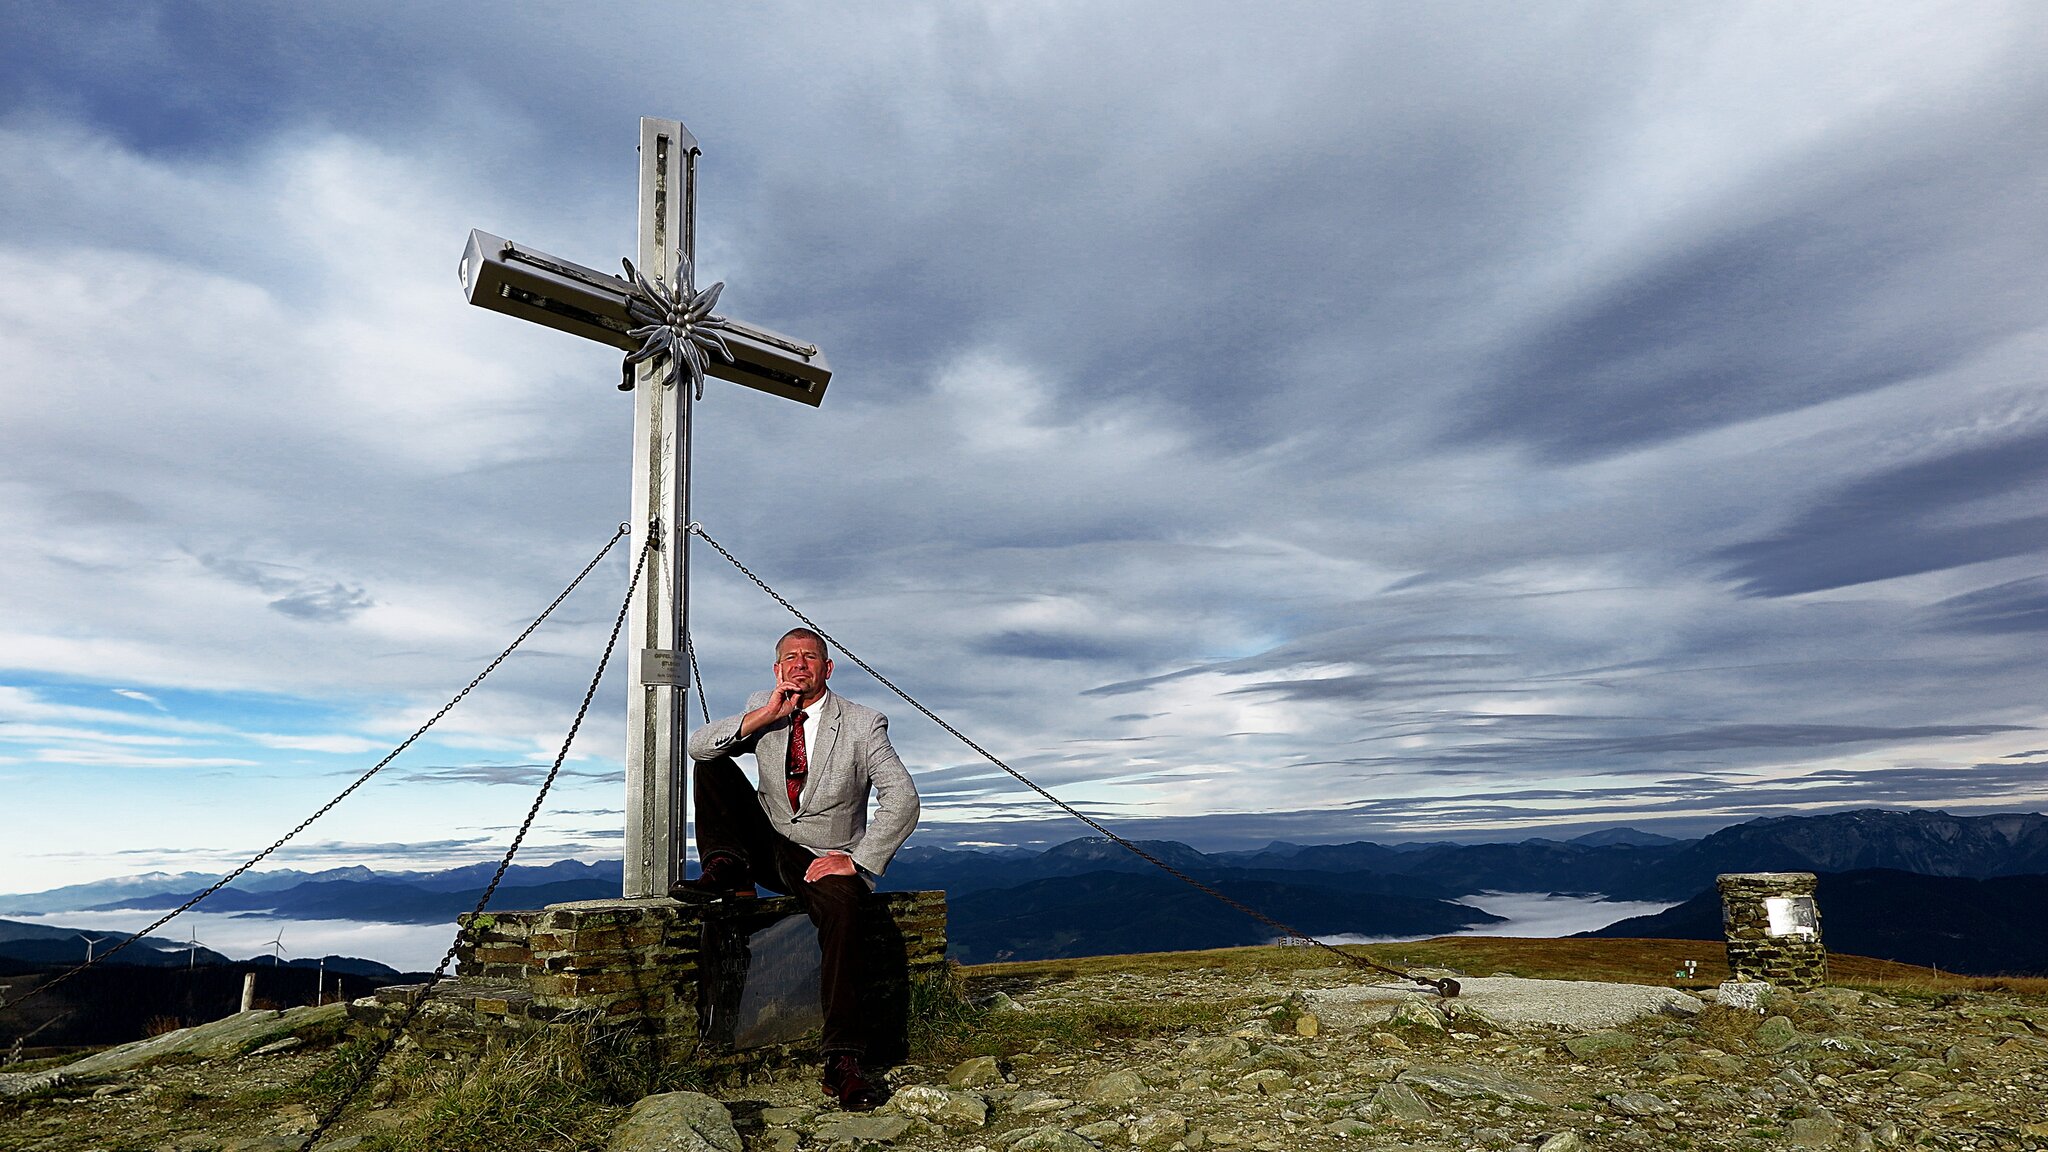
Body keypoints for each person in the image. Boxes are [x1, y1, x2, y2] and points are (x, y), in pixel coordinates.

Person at [678, 627, 920, 1111]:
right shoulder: (763, 709)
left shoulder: (863, 723)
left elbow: (903, 799)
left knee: (846, 915)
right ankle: (726, 866)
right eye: (790, 658)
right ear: (777, 669)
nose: (799, 664)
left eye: (810, 657)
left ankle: (843, 1061)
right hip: (766, 847)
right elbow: (699, 746)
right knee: (713, 761)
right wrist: (766, 714)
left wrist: (856, 860)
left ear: (827, 669)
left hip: (822, 858)